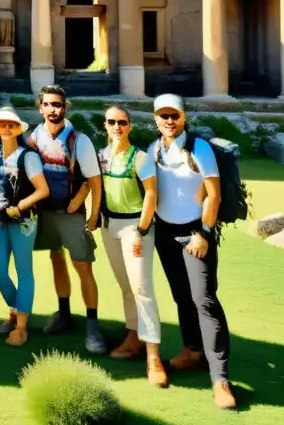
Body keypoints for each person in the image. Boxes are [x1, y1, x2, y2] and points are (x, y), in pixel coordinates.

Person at [149, 94, 236, 410]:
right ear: (156, 118)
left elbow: (213, 195)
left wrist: (203, 233)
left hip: (195, 233)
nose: (169, 121)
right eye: (163, 116)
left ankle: (220, 378)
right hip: (166, 233)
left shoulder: (198, 148)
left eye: (174, 115)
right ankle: (191, 350)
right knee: (182, 297)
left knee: (205, 300)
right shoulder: (154, 149)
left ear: (183, 117)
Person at [27, 84, 107, 353]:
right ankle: (64, 314)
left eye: (58, 105)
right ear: (41, 108)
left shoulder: (79, 140)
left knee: (82, 265)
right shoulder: (34, 138)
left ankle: (93, 327)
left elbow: (95, 181)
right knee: (56, 259)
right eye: (48, 105)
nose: (53, 110)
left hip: (72, 214)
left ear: (65, 108)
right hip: (45, 213)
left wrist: (94, 215)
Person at [98, 105, 168, 388]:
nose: (117, 127)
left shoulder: (140, 158)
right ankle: (133, 336)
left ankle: (154, 357)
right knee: (126, 286)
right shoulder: (102, 156)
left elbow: (152, 193)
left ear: (130, 126)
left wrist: (140, 230)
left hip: (134, 227)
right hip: (108, 226)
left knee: (142, 288)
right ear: (105, 125)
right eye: (112, 122)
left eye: (122, 122)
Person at [0, 106, 50, 347]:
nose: (6, 127)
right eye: (2, 124)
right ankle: (17, 308)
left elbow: (43, 189)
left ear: (18, 129)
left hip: (23, 220)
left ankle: (21, 326)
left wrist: (21, 205)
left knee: (24, 271)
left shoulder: (28, 156)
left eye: (11, 124)